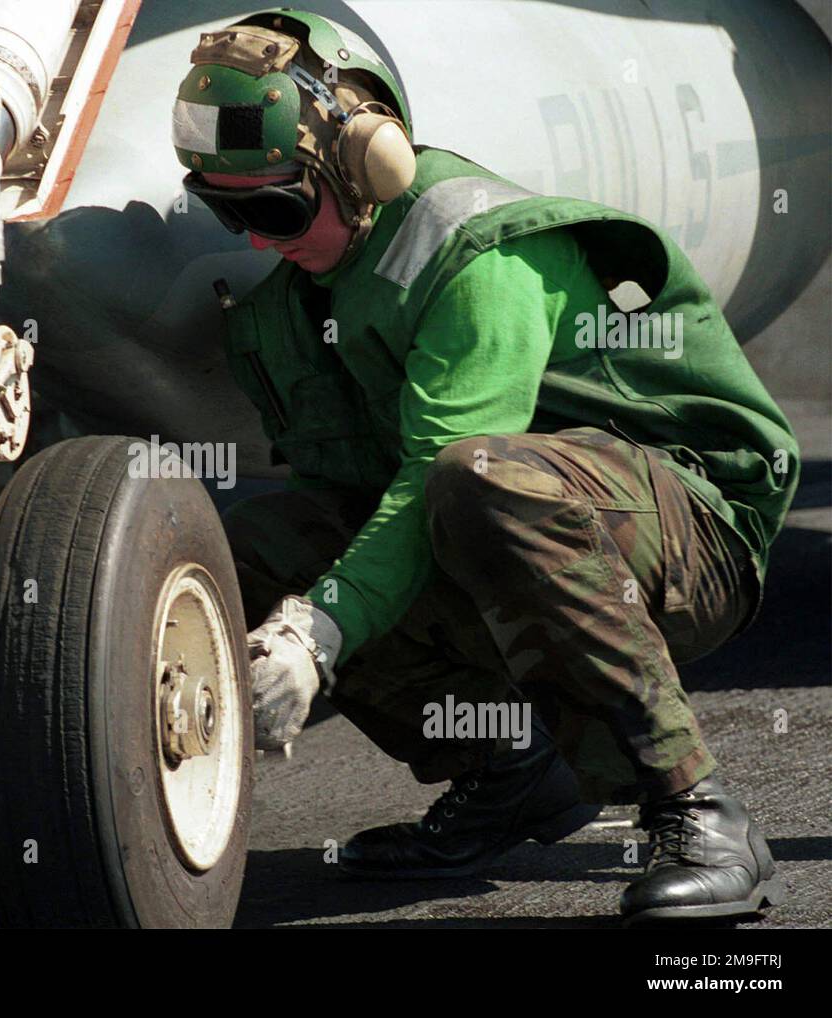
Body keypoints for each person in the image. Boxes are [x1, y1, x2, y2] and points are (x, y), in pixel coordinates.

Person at [171, 8, 797, 925]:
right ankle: (510, 767)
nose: (259, 239)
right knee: (259, 545)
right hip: (504, 531)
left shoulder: (477, 256)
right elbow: (349, 494)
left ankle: (699, 811)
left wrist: (319, 633)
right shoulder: (300, 291)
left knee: (479, 476)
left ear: (362, 164)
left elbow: (437, 474)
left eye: (276, 208)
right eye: (229, 210)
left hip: (686, 535)